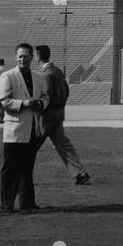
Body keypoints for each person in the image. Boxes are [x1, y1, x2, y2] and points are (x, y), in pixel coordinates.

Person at [0, 43, 47, 212]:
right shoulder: (7, 76)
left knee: (27, 168)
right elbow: (3, 100)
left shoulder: (39, 77)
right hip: (15, 130)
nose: (22, 59)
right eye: (19, 56)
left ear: (31, 58)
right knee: (10, 169)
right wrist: (23, 104)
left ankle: (27, 203)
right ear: (15, 57)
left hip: (32, 129)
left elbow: (46, 96)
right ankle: (7, 204)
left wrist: (41, 103)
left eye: (26, 56)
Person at [35, 44, 90, 182]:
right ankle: (80, 173)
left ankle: (21, 175)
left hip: (48, 114)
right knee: (63, 144)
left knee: (32, 145)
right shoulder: (57, 71)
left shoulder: (46, 74)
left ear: (37, 56)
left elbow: (47, 95)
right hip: (59, 112)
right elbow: (66, 90)